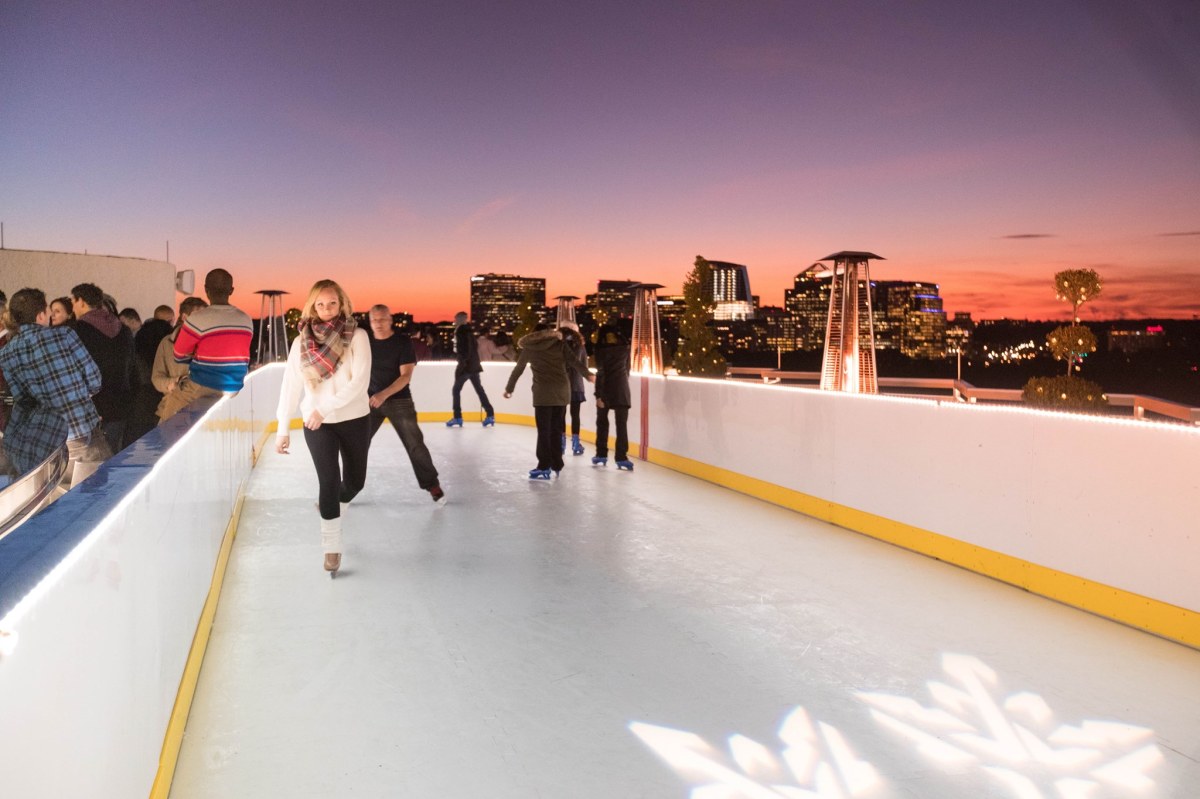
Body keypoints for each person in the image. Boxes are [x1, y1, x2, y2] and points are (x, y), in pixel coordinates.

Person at [275, 279, 371, 577]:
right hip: (317, 425)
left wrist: (324, 408)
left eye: (332, 303)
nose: (327, 309)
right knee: (328, 482)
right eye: (320, 304)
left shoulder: (357, 336)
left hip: (354, 419)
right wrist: (282, 427)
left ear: (342, 303)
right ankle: (331, 546)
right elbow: (290, 386)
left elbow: (360, 383)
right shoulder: (301, 342)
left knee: (354, 483)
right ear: (312, 306)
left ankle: (335, 506)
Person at [0, 288, 112, 487]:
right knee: (98, 493)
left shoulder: (6, 353)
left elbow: (22, 400)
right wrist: (77, 395)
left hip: (44, 440)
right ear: (41, 315)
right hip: (81, 431)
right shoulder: (65, 335)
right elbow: (94, 379)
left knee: (58, 499)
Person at [366, 304, 444, 503]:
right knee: (356, 445)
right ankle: (345, 489)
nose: (378, 324)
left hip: (399, 400)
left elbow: (406, 376)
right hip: (370, 401)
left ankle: (432, 485)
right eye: (374, 320)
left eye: (383, 319)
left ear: (390, 320)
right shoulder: (365, 341)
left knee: (415, 444)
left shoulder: (402, 342)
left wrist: (383, 394)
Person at [160, 268, 253, 421]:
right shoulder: (246, 320)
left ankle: (161, 442)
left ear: (206, 290)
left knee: (171, 403)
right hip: (235, 386)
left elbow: (178, 355)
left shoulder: (197, 319)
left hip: (204, 386)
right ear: (231, 290)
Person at [503, 323, 593, 479]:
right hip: (561, 393)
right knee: (556, 429)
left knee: (544, 431)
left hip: (542, 394)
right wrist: (589, 376)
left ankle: (544, 466)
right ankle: (557, 464)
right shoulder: (560, 344)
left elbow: (519, 369)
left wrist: (509, 389)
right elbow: (575, 362)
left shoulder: (530, 347)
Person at [71, 282, 136, 452]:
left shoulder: (78, 330)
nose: (73, 308)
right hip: (120, 403)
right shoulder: (124, 330)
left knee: (89, 461)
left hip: (92, 406)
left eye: (73, 302)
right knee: (114, 453)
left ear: (82, 302)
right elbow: (131, 367)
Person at [151, 297, 208, 418]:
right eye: (199, 316)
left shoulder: (213, 344)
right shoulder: (167, 343)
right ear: (184, 317)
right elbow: (156, 378)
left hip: (204, 412)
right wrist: (173, 383)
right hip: (173, 410)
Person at [591, 322, 633, 470]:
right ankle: (621, 456)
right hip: (622, 389)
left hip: (606, 390)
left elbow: (601, 373)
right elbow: (627, 370)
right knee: (621, 425)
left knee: (602, 423)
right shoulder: (625, 349)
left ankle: (601, 454)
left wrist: (599, 395)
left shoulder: (600, 350)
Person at [446, 311, 495, 427]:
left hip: (466, 367)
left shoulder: (460, 331)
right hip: (474, 365)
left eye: (456, 318)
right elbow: (474, 346)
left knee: (456, 390)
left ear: (459, 319)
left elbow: (464, 349)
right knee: (479, 390)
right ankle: (490, 414)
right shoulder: (469, 331)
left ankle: (457, 417)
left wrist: (462, 363)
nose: (454, 320)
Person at [558, 321, 589, 456]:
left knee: (561, 414)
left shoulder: (558, 346)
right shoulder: (580, 346)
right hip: (576, 384)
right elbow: (584, 367)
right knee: (575, 415)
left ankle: (561, 443)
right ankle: (576, 443)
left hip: (562, 384)